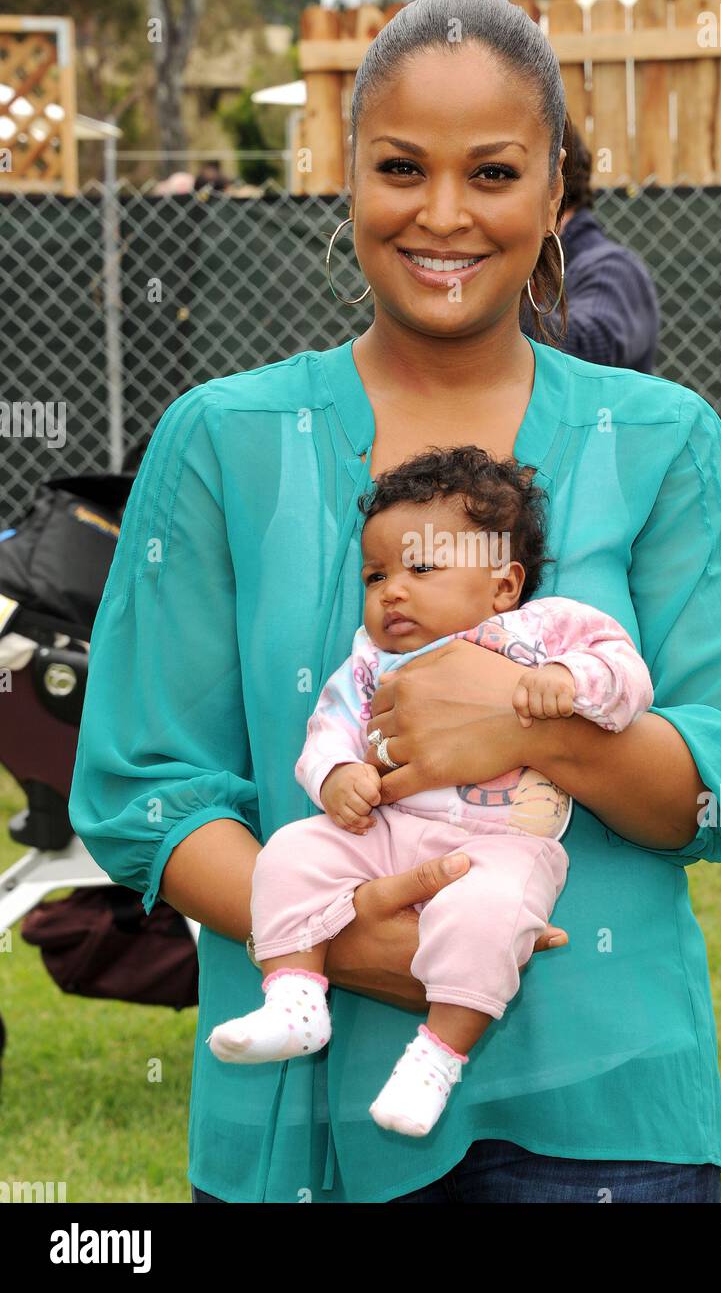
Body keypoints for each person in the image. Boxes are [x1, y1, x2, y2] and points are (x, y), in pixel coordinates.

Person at [68, 0, 721, 1204]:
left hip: (596, 1117)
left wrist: (523, 722)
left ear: (556, 192)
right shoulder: (221, 441)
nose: (443, 214)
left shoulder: (663, 439)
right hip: (295, 1119)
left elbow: (719, 787)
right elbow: (147, 787)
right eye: (400, 166)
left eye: (494, 171)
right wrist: (350, 943)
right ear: (345, 176)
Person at [206, 445, 653, 1140]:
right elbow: (329, 726)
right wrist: (336, 776)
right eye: (375, 573)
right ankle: (294, 996)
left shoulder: (540, 631)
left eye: (420, 567)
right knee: (291, 852)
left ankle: (436, 1058)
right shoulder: (368, 660)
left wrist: (569, 681)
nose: (391, 590)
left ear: (503, 586)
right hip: (388, 833)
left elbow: (624, 672)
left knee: (489, 916)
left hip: (500, 842)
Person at [520, 123, 660, 372]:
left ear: (555, 186)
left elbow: (590, 350)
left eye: (496, 174)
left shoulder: (612, 267)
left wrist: (500, 305)